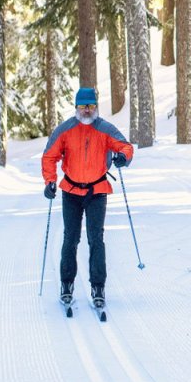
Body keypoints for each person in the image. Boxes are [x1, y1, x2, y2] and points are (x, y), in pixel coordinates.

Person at [42, 87, 135, 310]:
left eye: (91, 106)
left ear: (96, 107)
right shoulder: (65, 130)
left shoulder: (104, 128)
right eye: (83, 106)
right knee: (70, 238)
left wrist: (123, 157)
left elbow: (126, 146)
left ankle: (98, 287)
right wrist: (50, 181)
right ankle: (66, 284)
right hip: (71, 191)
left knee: (96, 239)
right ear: (76, 108)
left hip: (97, 191)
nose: (86, 110)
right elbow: (49, 156)